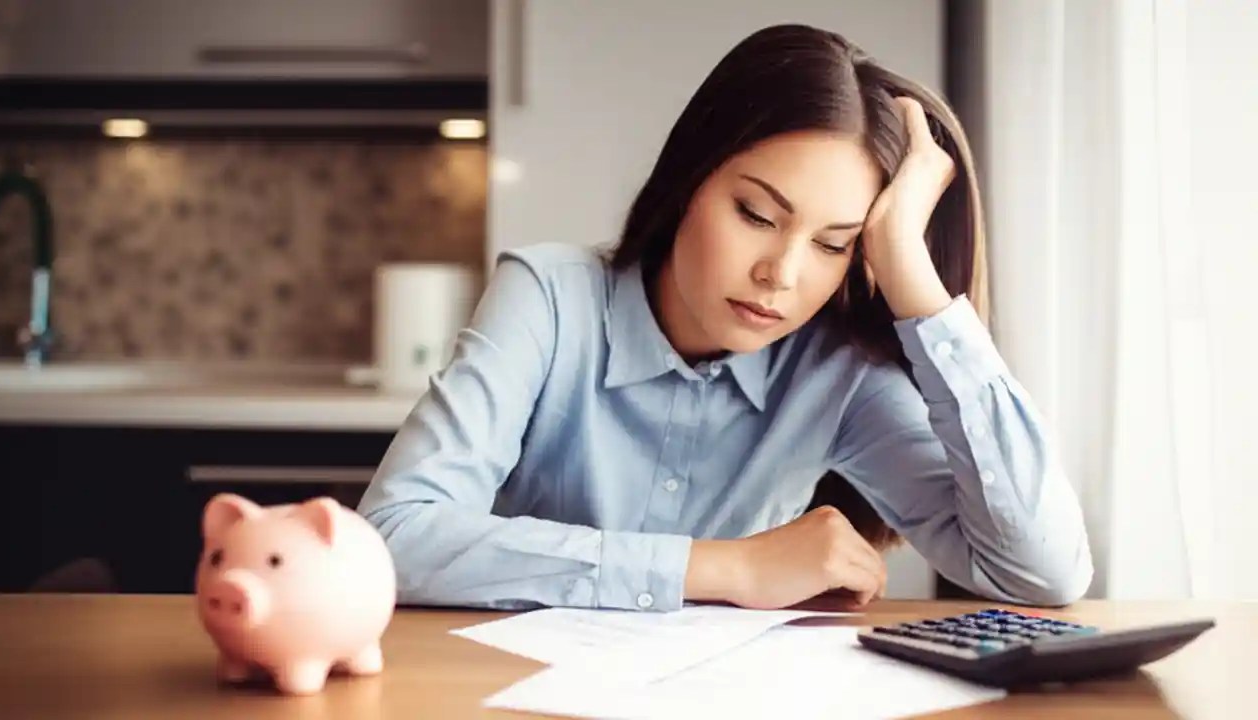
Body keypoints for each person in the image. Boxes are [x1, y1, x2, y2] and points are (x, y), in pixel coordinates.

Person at [357, 24, 1093, 612]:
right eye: (756, 214)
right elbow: (396, 536)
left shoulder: (835, 372)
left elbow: (1043, 572)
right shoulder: (549, 298)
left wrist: (910, 272)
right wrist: (726, 567)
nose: (782, 273)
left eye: (835, 244)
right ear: (689, 179)